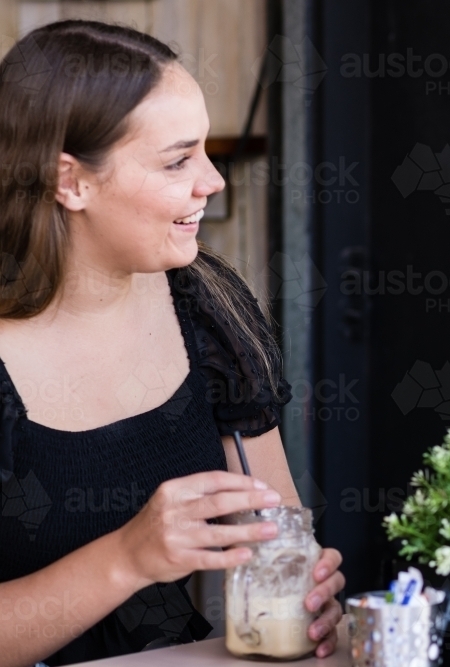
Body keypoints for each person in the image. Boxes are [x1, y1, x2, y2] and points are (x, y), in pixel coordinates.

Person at [0, 20, 344, 666]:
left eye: (206, 151)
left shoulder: (205, 304)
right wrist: (129, 555)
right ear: (69, 181)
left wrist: (307, 588)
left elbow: (278, 528)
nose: (212, 180)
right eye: (178, 159)